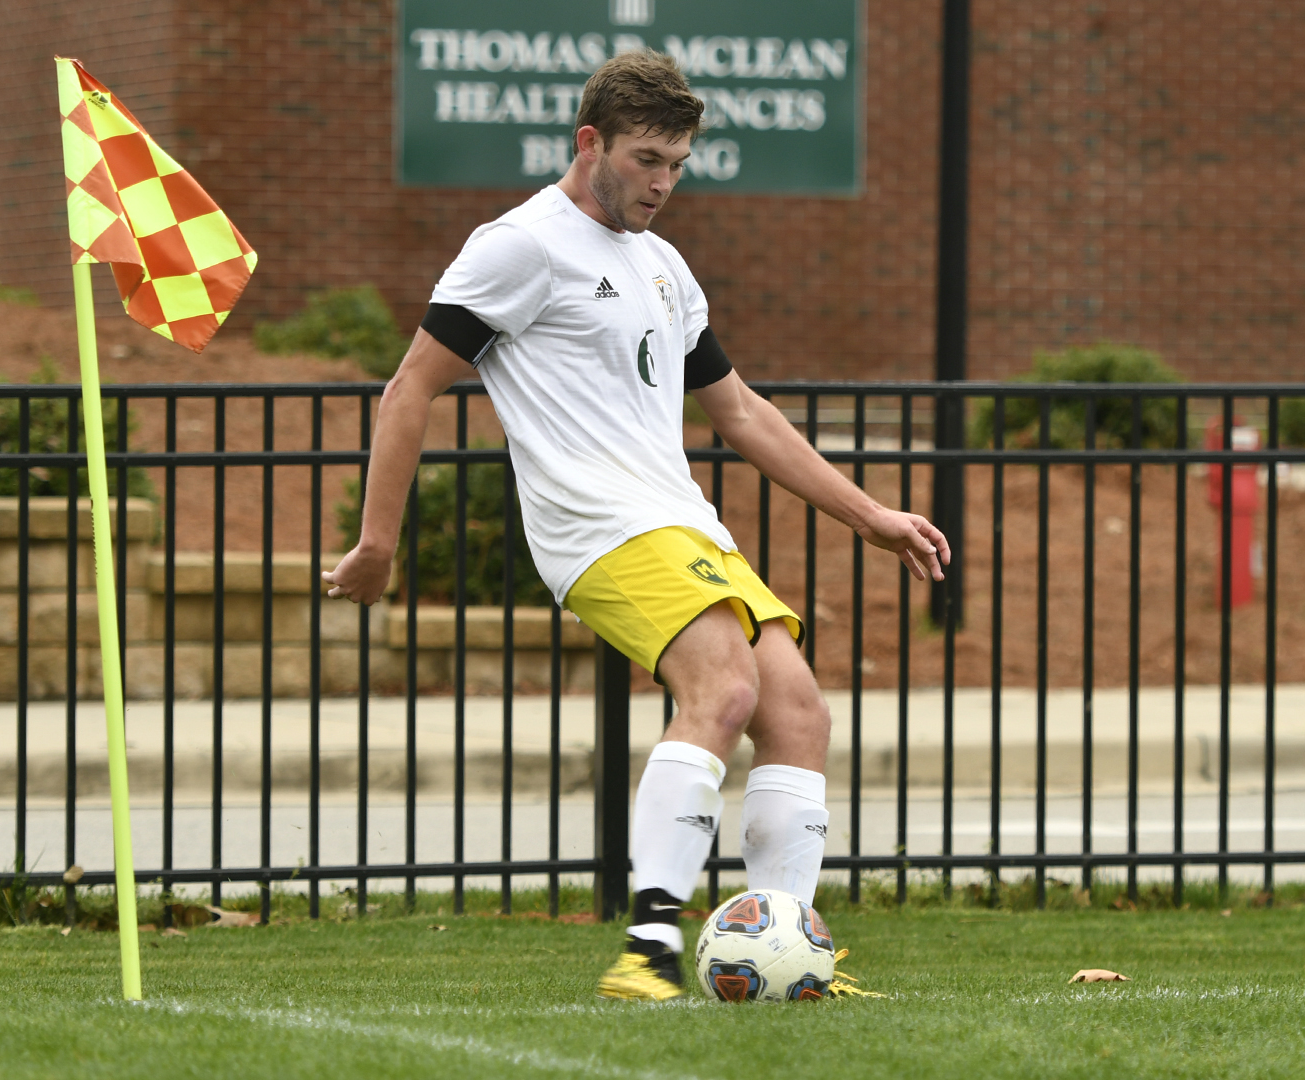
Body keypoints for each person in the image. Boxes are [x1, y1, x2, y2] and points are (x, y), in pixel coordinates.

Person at [321, 50, 948, 1001]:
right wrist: (378, 541)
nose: (663, 182)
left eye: (678, 163)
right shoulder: (521, 244)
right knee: (726, 690)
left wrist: (869, 515)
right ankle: (650, 945)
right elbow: (411, 387)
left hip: (683, 524)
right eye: (647, 158)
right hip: (595, 527)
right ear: (591, 143)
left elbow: (739, 414)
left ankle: (782, 950)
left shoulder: (663, 265)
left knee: (798, 715)